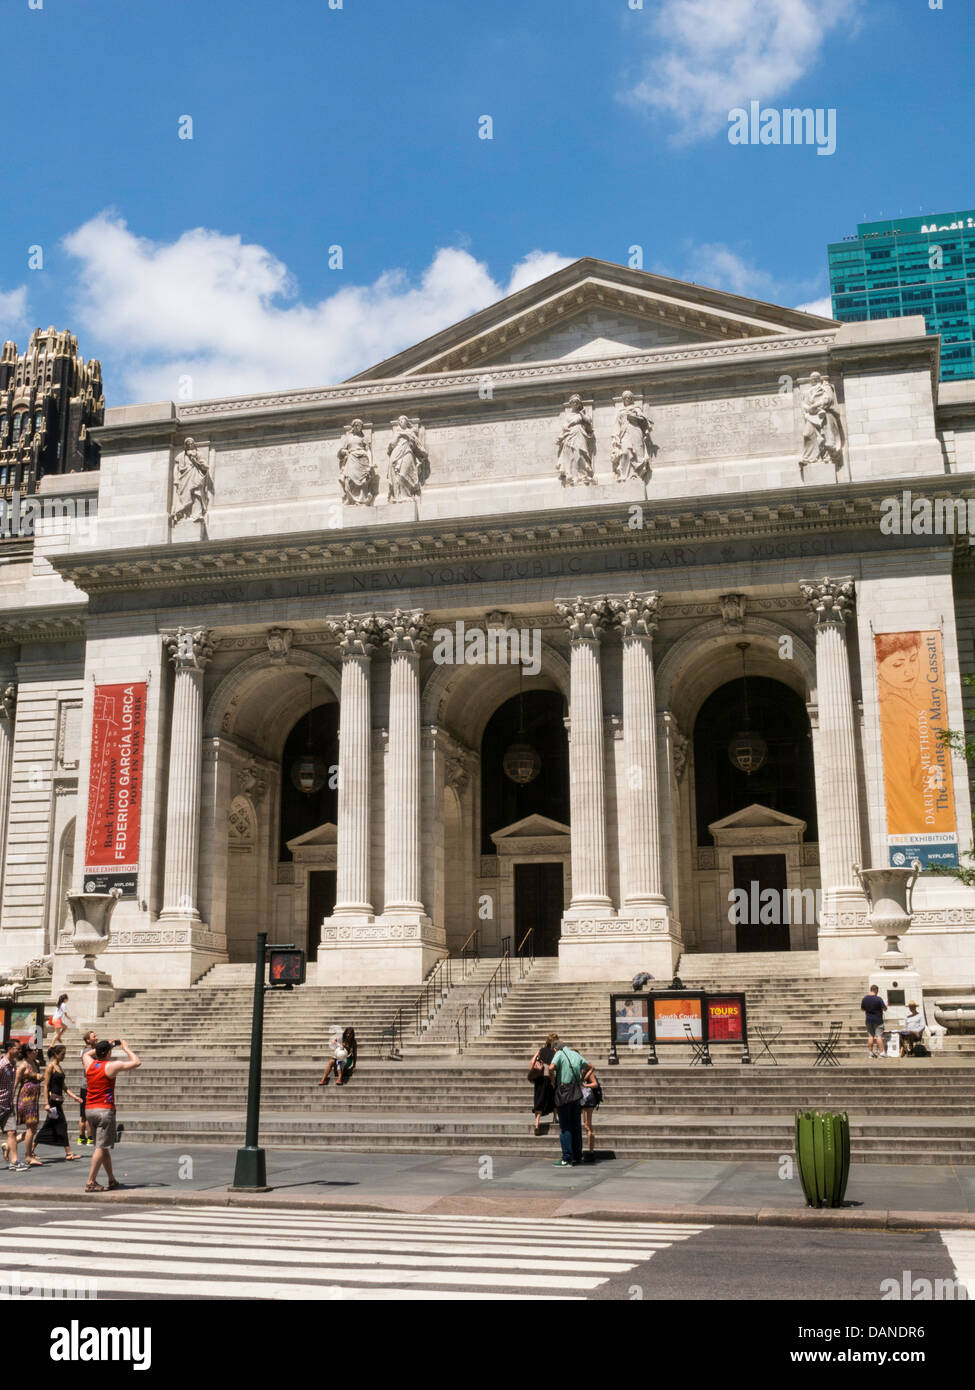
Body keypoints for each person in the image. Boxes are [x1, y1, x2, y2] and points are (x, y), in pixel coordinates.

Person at [83, 1038, 140, 1193]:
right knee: (101, 1147)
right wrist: (126, 1048)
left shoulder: (89, 1063)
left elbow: (88, 1053)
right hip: (104, 1111)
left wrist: (105, 1045)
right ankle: (90, 1181)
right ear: (108, 1053)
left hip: (89, 1110)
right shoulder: (111, 1066)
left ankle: (111, 1179)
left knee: (103, 1147)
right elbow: (136, 1062)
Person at [35, 1045, 82, 1161]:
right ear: (56, 1054)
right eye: (62, 1054)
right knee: (61, 1124)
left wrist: (75, 1097)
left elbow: (64, 1087)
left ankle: (31, 1149)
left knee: (49, 1125)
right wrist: (46, 1103)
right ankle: (68, 1153)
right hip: (52, 1102)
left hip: (58, 1101)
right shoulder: (50, 1067)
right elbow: (45, 1086)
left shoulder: (59, 1067)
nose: (64, 1056)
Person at [550, 1039, 590, 1167]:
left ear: (555, 1049)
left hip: (564, 1092)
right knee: (576, 1125)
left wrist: (553, 1081)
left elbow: (551, 1068)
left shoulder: (559, 1053)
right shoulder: (575, 1054)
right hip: (576, 1092)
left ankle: (566, 1158)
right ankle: (577, 1156)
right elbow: (590, 1067)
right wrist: (581, 1079)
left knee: (565, 1126)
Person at [15, 1045, 44, 1166]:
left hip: (34, 1098)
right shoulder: (22, 1066)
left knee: (33, 1128)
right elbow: (15, 1083)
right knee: (31, 1128)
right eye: (33, 1050)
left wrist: (40, 1078)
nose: (36, 1051)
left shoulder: (36, 1063)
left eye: (37, 1049)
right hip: (26, 1099)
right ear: (27, 1052)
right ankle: (28, 1156)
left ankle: (9, 1144)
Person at [0, 1038, 26, 1171]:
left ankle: (14, 1161)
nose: (19, 1050)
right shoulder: (2, 1064)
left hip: (8, 1104)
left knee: (11, 1131)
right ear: (10, 1049)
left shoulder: (13, 1064)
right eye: (17, 1048)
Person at [529, 1033, 557, 1136]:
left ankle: (537, 1124)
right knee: (553, 1097)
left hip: (539, 1078)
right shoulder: (555, 1052)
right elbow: (553, 1068)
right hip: (549, 1078)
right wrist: (554, 1081)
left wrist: (533, 1075)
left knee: (539, 1099)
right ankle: (555, 1118)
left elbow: (532, 1062)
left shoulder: (540, 1051)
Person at [77, 1030, 97, 1145]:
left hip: (85, 1085)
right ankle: (89, 1137)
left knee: (83, 1114)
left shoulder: (87, 1051)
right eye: (94, 1036)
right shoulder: (89, 1051)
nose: (96, 1037)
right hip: (89, 1085)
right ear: (88, 1040)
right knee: (87, 1113)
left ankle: (81, 1137)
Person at [580, 1061, 601, 1159]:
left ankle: (591, 1151)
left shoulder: (587, 1071)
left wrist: (585, 1085)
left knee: (588, 1126)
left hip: (588, 1099)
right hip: (583, 1099)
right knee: (587, 1125)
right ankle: (590, 1151)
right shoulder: (580, 1071)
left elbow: (595, 1084)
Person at [861, 984, 888, 1059]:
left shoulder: (865, 998)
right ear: (876, 990)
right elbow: (885, 1009)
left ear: (871, 989)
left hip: (868, 1020)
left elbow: (863, 1009)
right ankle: (882, 1052)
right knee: (878, 1036)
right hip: (878, 1020)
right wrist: (886, 1005)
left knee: (870, 1036)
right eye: (877, 991)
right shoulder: (878, 999)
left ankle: (870, 1053)